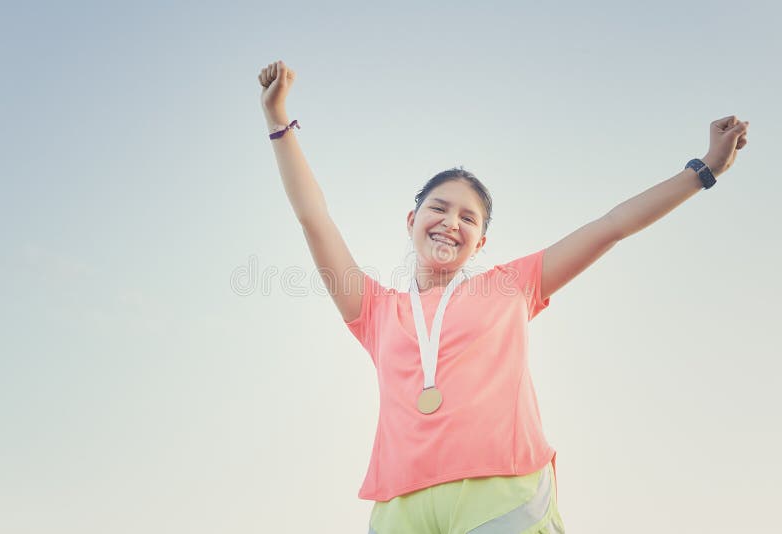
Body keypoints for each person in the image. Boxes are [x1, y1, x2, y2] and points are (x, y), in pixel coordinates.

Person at [258, 59, 750, 534]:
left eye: (469, 219)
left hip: (500, 494)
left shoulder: (512, 286)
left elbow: (611, 227)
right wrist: (279, 120)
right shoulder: (375, 310)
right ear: (412, 220)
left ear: (481, 242)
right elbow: (313, 217)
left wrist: (704, 169)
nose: (452, 223)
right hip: (398, 505)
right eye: (439, 208)